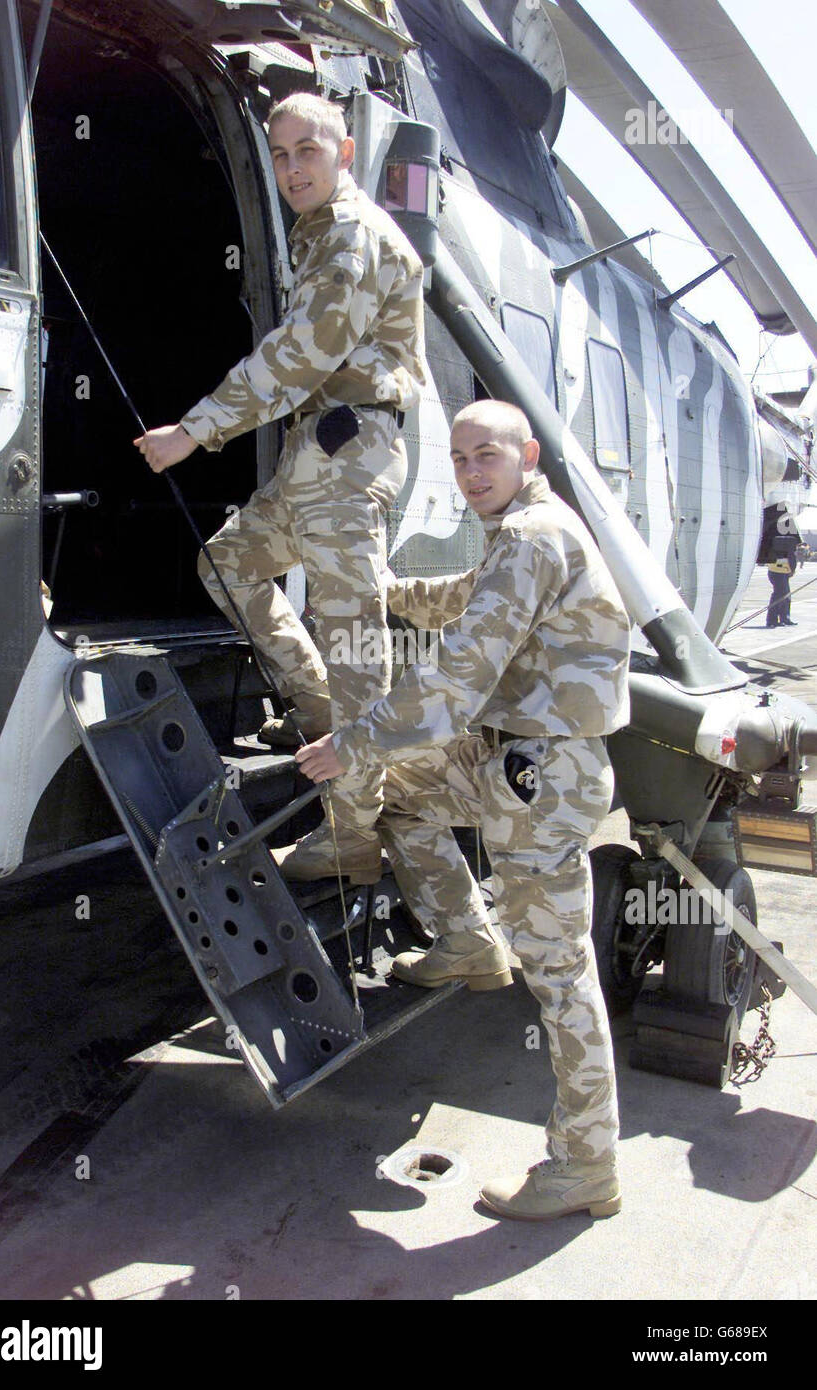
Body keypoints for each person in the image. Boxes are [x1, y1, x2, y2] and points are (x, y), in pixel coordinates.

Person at [293, 400, 631, 1221]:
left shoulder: (531, 537)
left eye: (488, 456)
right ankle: (468, 941)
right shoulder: (524, 532)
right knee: (402, 797)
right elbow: (469, 598)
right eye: (461, 459)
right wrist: (391, 590)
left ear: (527, 456)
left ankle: (585, 1164)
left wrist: (356, 740)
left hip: (539, 779)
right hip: (510, 758)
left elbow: (455, 679)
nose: (473, 474)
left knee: (560, 976)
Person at [133, 92, 425, 874]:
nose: (293, 169)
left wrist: (191, 433)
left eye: (310, 152)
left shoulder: (352, 239)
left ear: (345, 154)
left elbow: (302, 354)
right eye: (282, 154)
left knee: (357, 644)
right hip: (314, 459)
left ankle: (355, 835)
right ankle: (316, 707)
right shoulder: (320, 234)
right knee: (227, 564)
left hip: (348, 459)